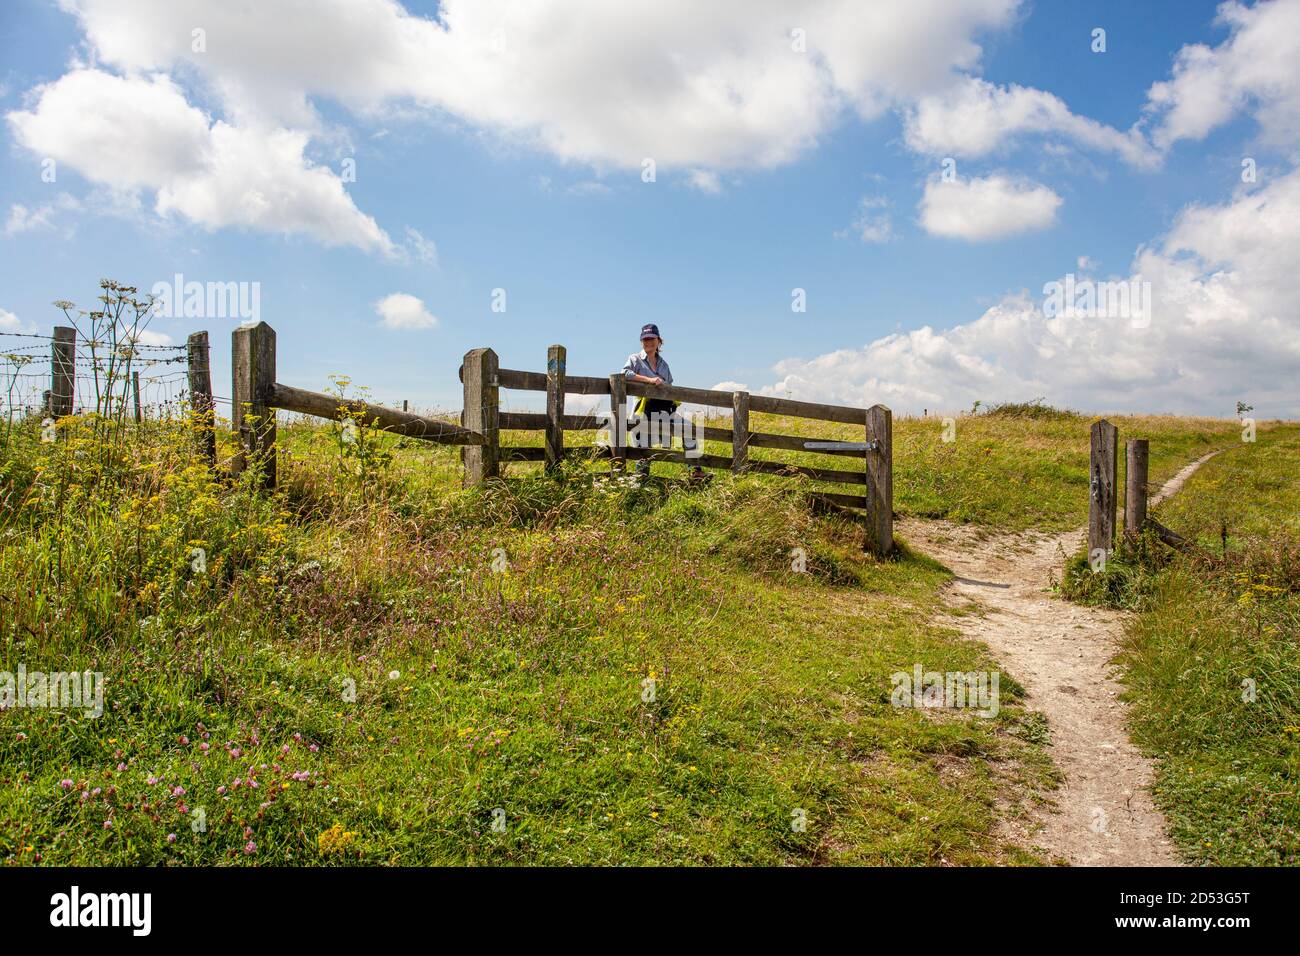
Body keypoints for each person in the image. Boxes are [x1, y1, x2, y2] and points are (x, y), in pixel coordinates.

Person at [621, 323, 702, 480]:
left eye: (651, 339)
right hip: (643, 411)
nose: (648, 342)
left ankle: (695, 470)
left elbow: (670, 387)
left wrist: (663, 386)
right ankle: (641, 478)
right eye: (645, 340)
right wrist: (649, 380)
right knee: (643, 443)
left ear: (659, 341)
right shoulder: (635, 359)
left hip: (664, 410)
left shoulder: (664, 365)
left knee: (689, 428)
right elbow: (624, 374)